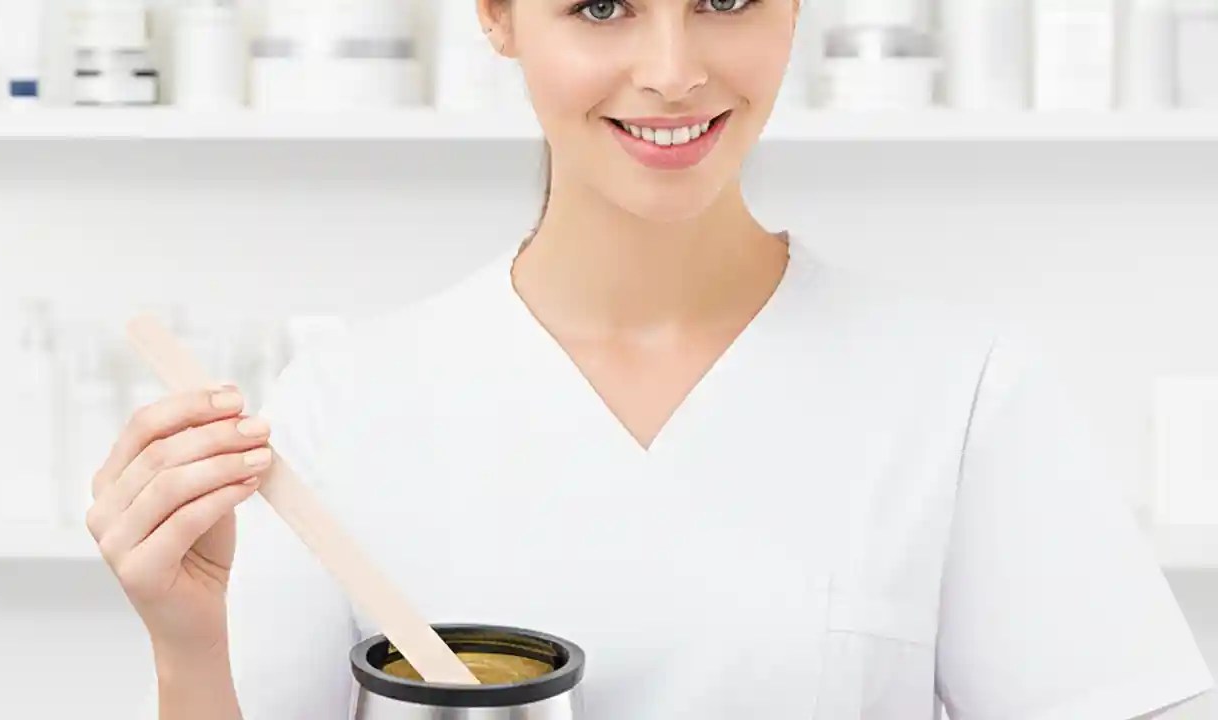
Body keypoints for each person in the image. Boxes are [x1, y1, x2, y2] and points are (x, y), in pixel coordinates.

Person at [87, 0, 1215, 717]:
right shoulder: (342, 410)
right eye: (601, 6)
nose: (672, 69)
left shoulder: (960, 393)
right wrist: (186, 647)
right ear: (498, 15)